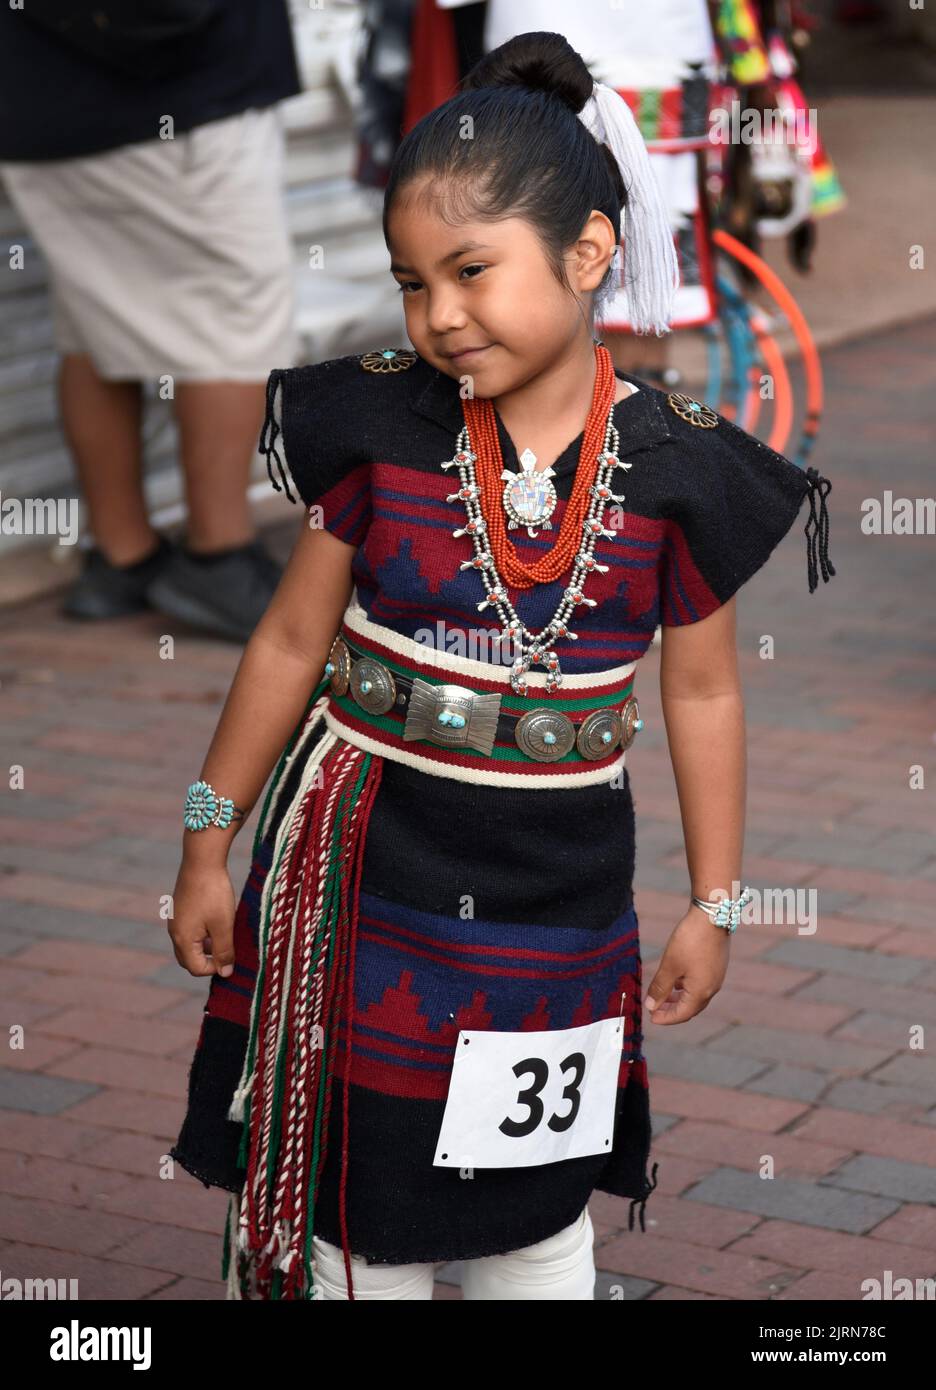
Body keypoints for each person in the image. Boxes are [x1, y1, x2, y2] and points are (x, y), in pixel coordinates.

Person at [168, 31, 835, 1301]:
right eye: (412, 282)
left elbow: (699, 689)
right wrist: (208, 836)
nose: (439, 315)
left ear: (589, 252)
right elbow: (290, 641)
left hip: (560, 900)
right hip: (362, 879)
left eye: (471, 271)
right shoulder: (376, 426)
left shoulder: (684, 468)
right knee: (344, 1185)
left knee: (530, 1200)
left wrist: (720, 898)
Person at [0, 1, 302, 642]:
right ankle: (217, 557)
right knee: (234, 318)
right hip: (176, 86)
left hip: (44, 97)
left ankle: (122, 558)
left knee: (92, 325)